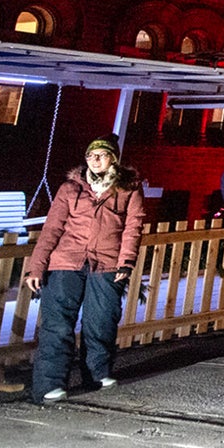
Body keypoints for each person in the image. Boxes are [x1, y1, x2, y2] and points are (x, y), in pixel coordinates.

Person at [25, 137, 145, 402]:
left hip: (107, 262)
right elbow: (52, 229)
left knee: (101, 320)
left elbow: (133, 227)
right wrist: (36, 267)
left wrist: (126, 261)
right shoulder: (71, 188)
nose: (96, 160)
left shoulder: (128, 189)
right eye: (91, 155)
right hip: (65, 261)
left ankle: (97, 374)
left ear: (114, 158)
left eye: (102, 154)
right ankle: (49, 385)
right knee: (57, 324)